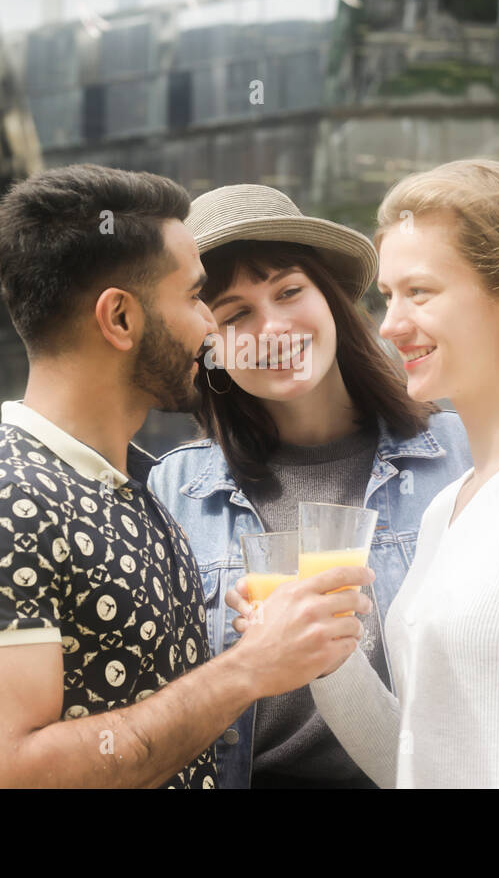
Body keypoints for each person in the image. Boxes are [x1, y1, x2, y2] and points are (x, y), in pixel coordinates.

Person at [0, 164, 372, 788]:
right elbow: (2, 776)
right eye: (195, 298)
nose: (210, 327)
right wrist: (248, 669)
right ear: (120, 318)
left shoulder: (138, 488)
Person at [229, 159, 499, 787]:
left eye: (420, 292)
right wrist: (326, 658)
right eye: (388, 296)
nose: (390, 324)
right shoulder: (449, 506)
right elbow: (417, 763)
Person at [146, 184, 472, 788]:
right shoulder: (177, 489)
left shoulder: (461, 453)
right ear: (208, 343)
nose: (272, 328)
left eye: (289, 291)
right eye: (235, 314)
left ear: (330, 298)